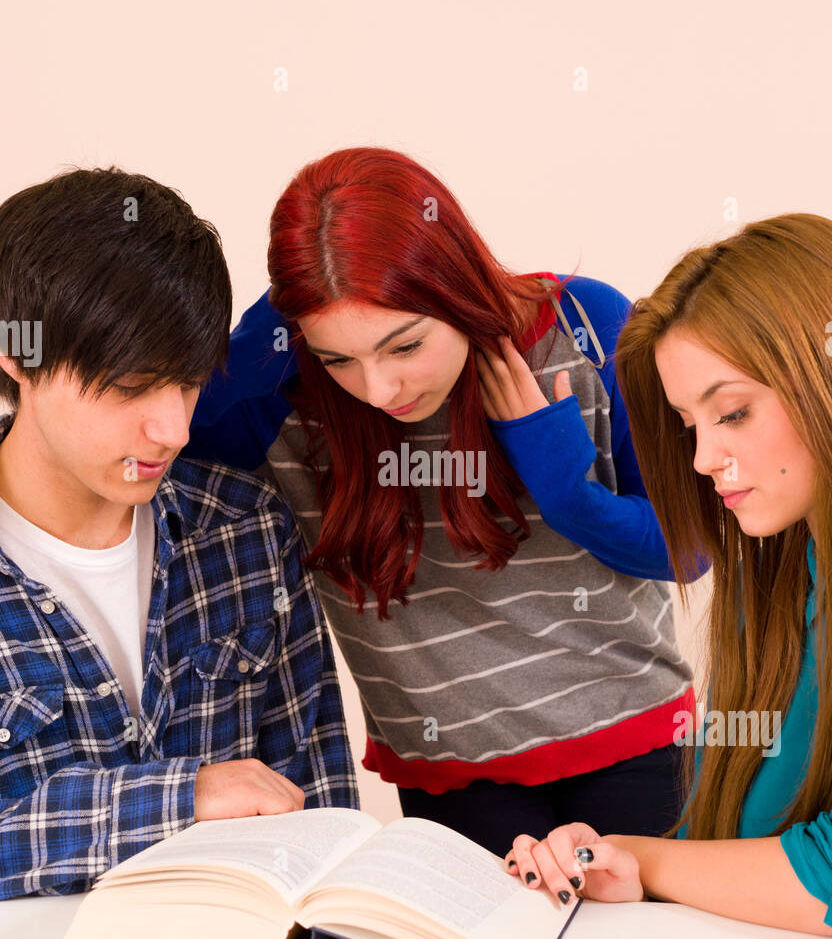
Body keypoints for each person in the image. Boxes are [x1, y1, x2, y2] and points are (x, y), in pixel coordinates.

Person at [186, 146, 704, 867]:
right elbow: (150, 437)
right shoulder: (283, 393)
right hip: (451, 777)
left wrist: (568, 494)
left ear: (452, 284)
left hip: (640, 749)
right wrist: (250, 346)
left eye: (405, 345)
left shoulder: (585, 327)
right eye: (339, 358)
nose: (378, 388)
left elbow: (688, 549)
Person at [0, 166, 358, 899]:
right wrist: (179, 799)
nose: (174, 429)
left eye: (190, 381)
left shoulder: (246, 531)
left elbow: (320, 806)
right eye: (130, 387)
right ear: (17, 357)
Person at [506, 213, 832, 939]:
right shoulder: (781, 573)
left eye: (731, 412)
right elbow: (731, 824)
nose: (703, 460)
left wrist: (647, 856)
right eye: (687, 424)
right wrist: (611, 862)